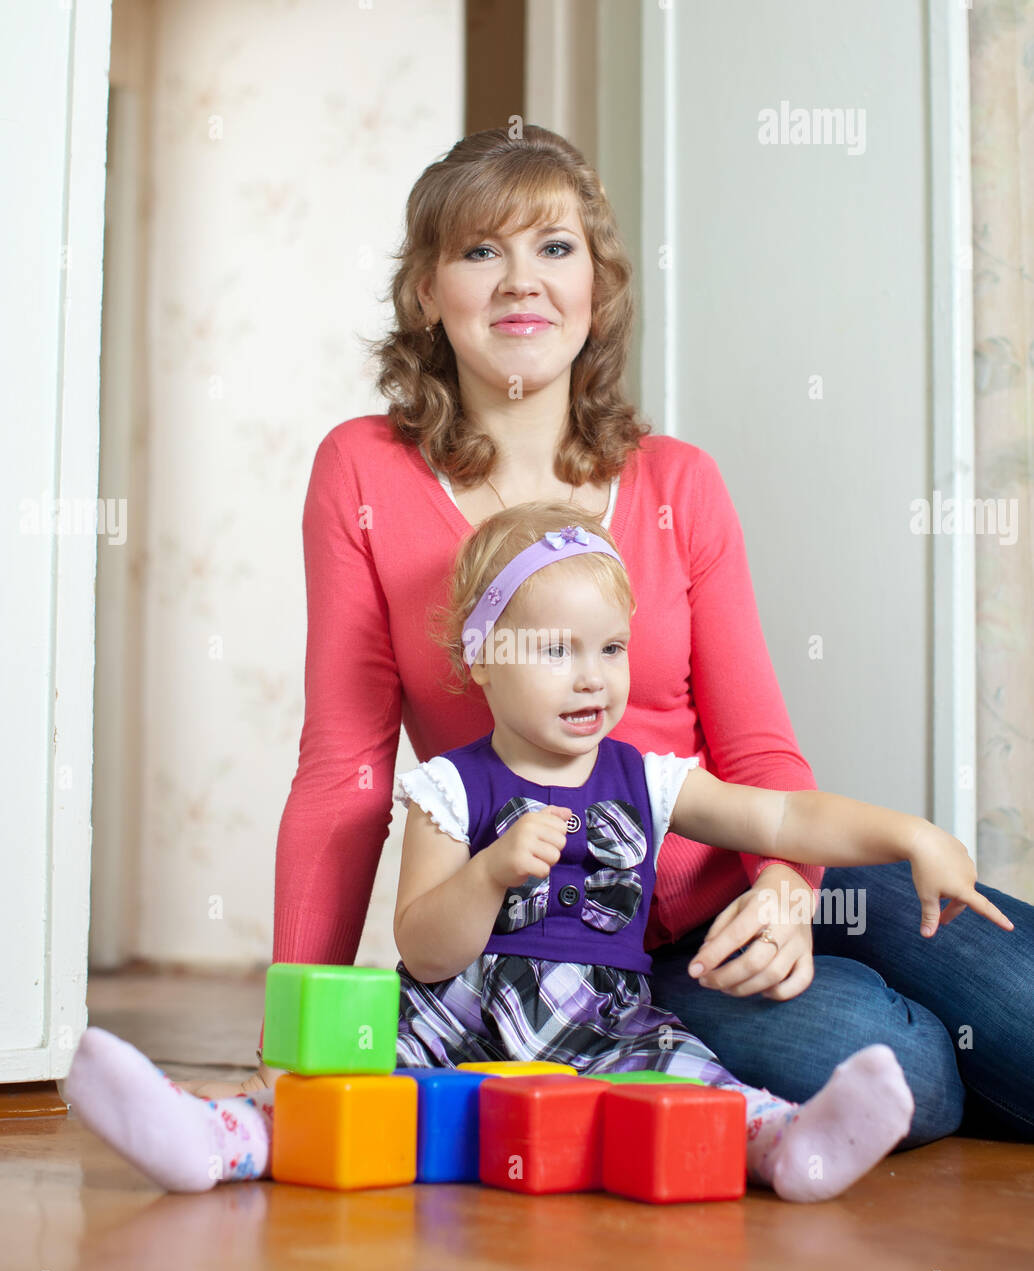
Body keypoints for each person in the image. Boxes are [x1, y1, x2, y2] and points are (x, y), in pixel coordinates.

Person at [184, 125, 1033, 1147]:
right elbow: (344, 774)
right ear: (425, 291)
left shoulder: (679, 481)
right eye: (477, 251)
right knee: (906, 1070)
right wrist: (298, 1038)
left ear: (597, 287)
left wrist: (780, 894)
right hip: (604, 959)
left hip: (766, 865)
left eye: (553, 247)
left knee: (1018, 1005)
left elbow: (759, 753)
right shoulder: (362, 472)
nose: (518, 283)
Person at [64, 502, 1014, 1201]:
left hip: (606, 1022)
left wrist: (913, 834)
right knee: (334, 1091)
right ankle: (213, 1138)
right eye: (558, 650)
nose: (593, 677)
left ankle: (784, 1149)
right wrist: (488, 871)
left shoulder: (645, 778)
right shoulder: (451, 787)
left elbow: (780, 821)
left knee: (694, 1081)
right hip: (449, 1018)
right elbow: (426, 946)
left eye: (610, 649)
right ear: (481, 658)